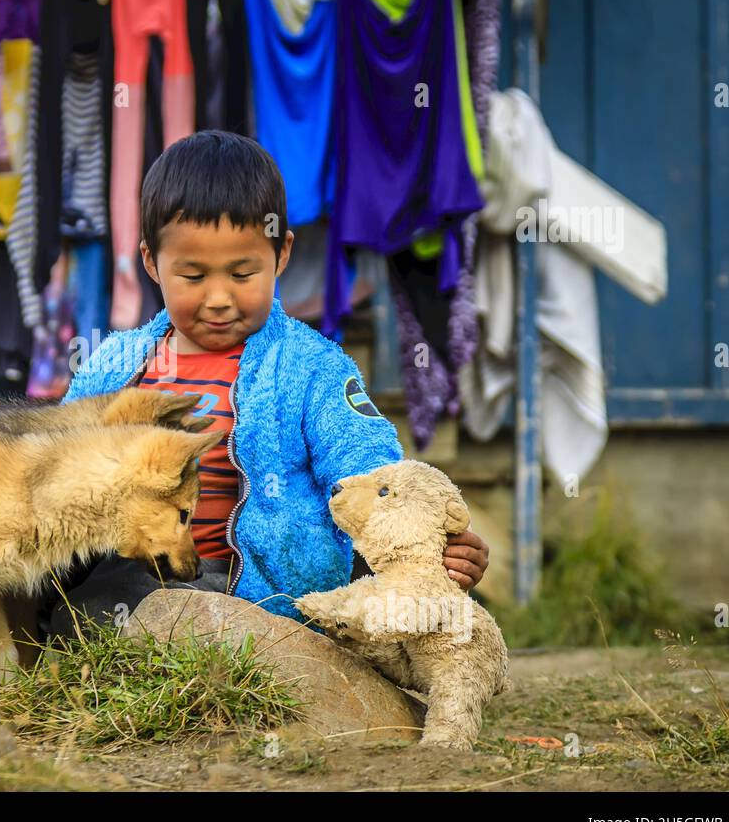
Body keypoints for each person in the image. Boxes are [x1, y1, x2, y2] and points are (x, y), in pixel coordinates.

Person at [39, 130, 488, 641]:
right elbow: (59, 468)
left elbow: (370, 470)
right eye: (192, 276)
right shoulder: (116, 365)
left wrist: (431, 543)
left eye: (241, 272)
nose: (218, 298)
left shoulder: (310, 368)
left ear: (281, 254)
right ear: (150, 263)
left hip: (261, 597)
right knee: (91, 605)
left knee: (208, 631)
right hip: (134, 583)